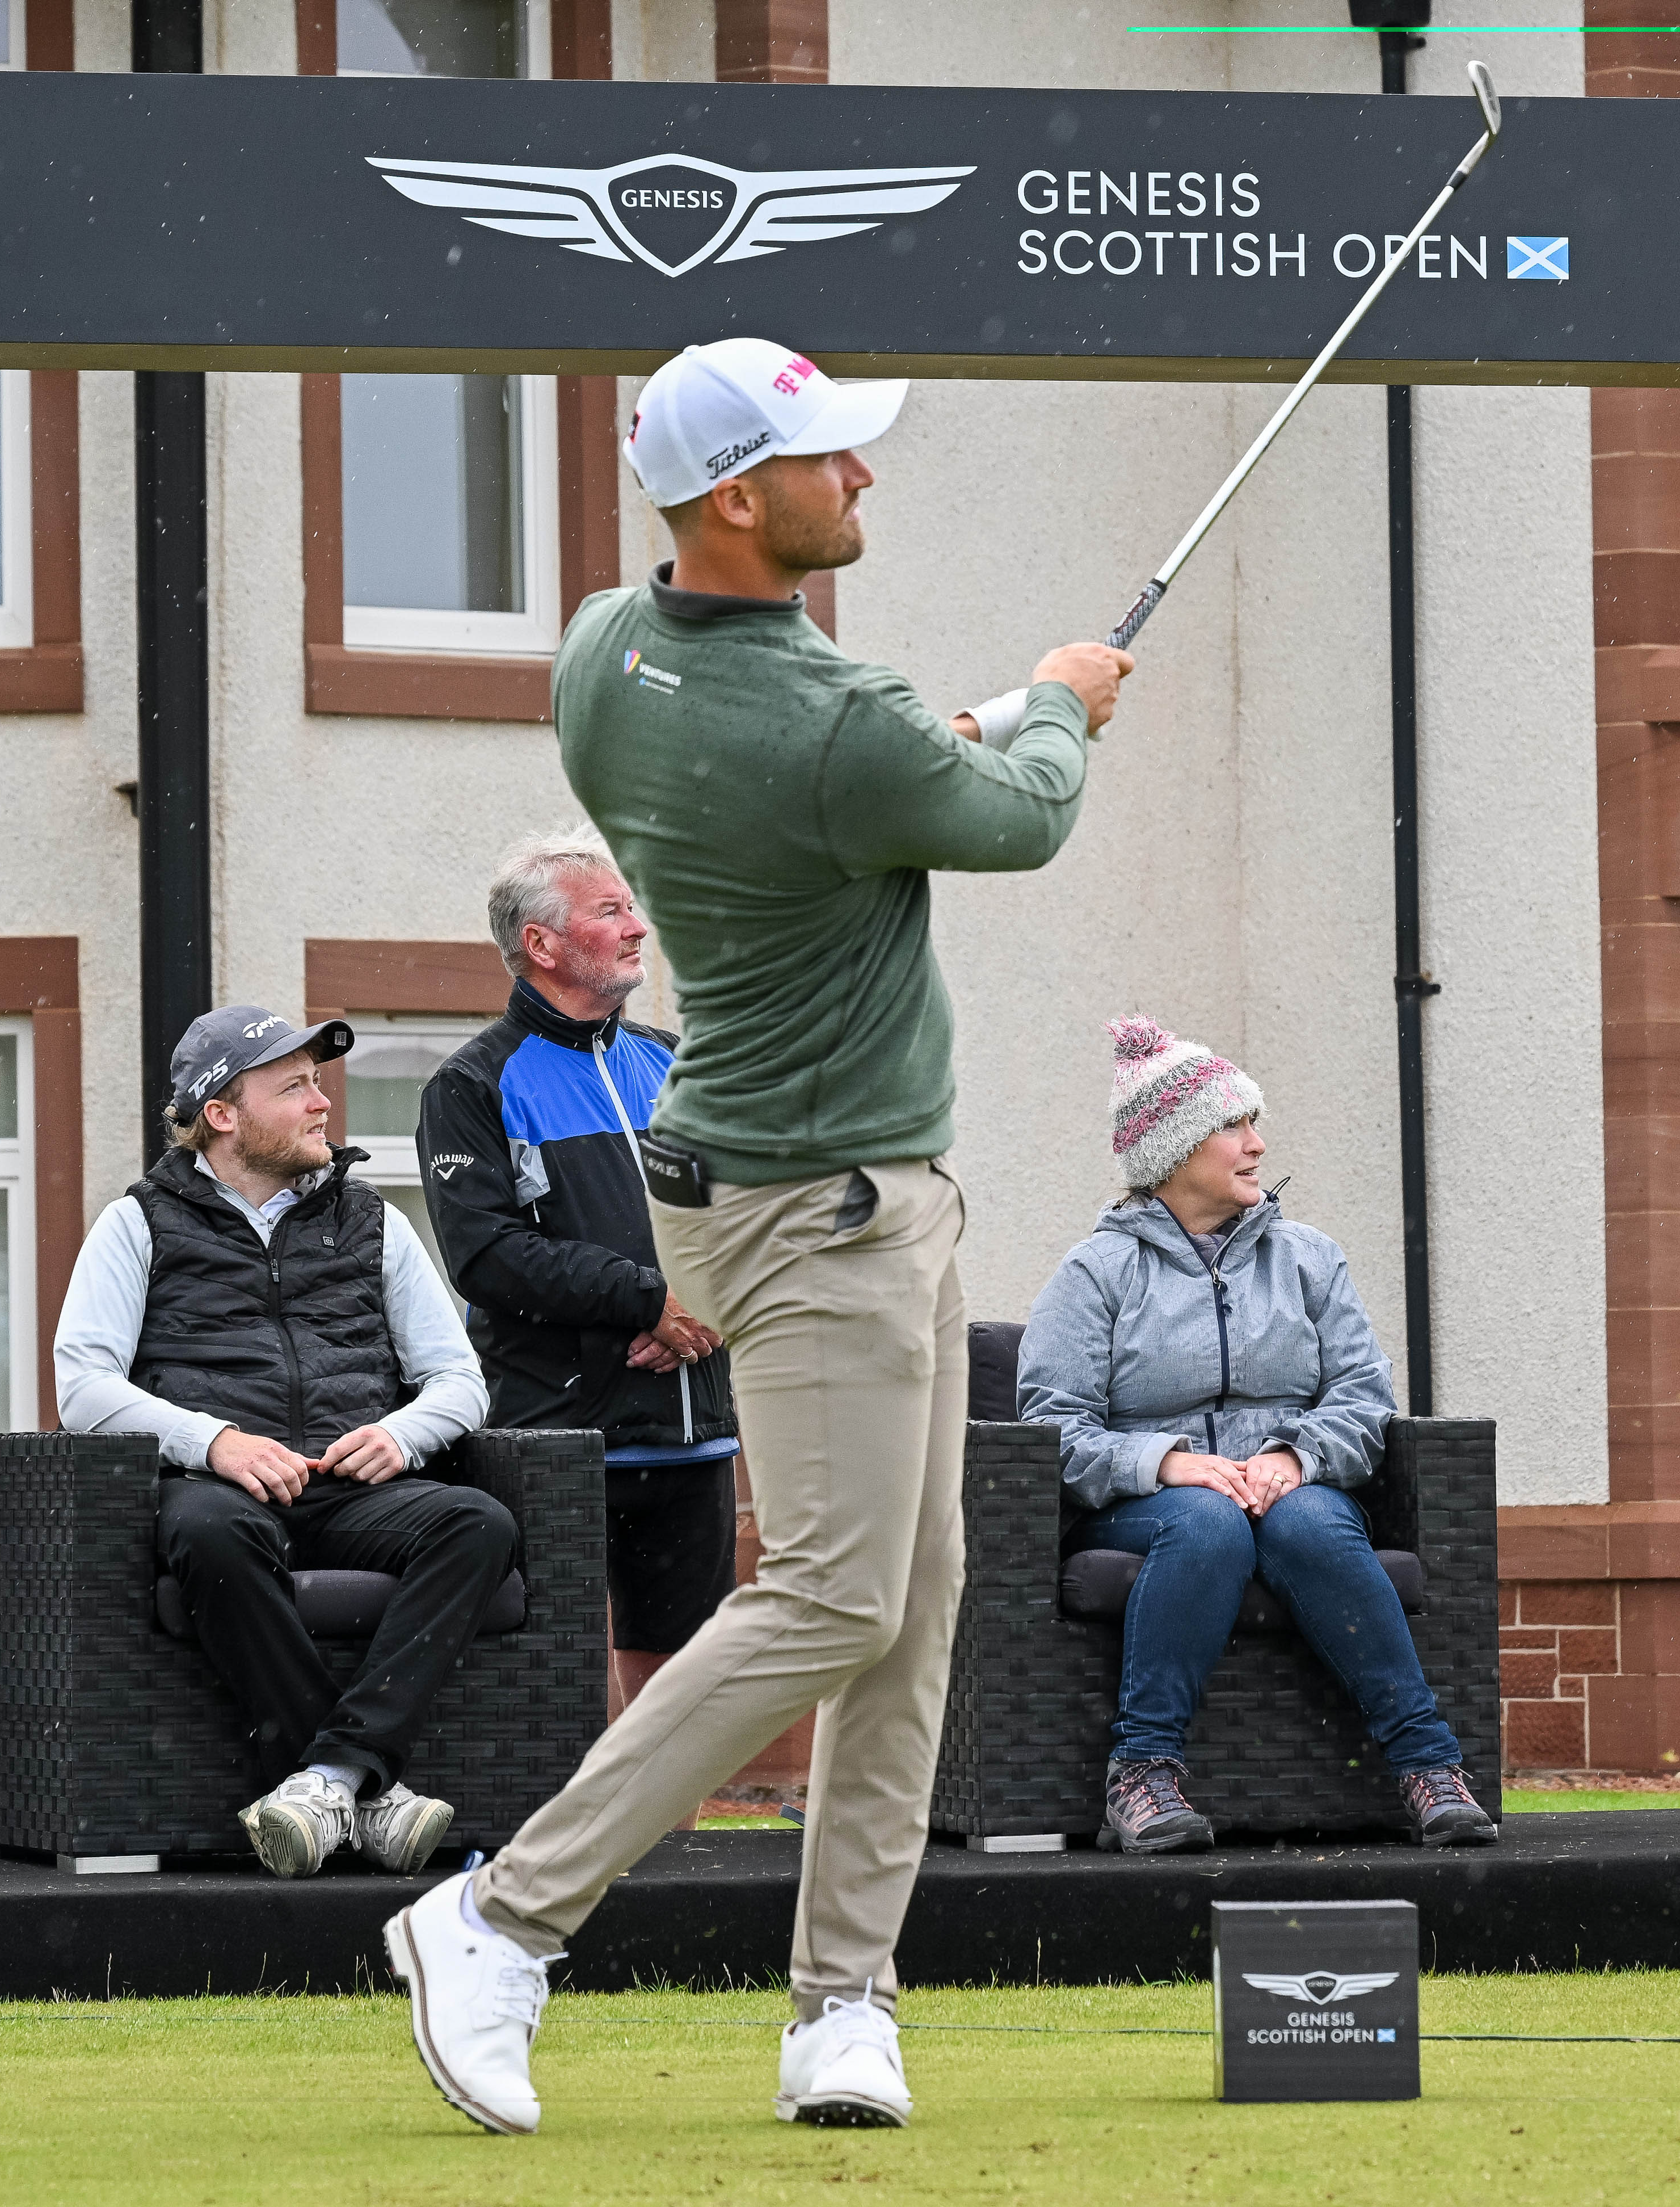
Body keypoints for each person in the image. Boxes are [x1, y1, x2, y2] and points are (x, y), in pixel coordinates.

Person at [384, 337, 1131, 2137]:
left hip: (802, 1190)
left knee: (913, 1600)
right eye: (833, 462)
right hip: (830, 1210)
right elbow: (1022, 818)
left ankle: (842, 2005)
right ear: (740, 496)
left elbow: (848, 776)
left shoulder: (599, 652)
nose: (862, 481)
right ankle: (499, 1917)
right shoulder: (832, 724)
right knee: (832, 1594)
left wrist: (945, 734)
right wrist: (1052, 696)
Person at [1018, 1017, 1498, 1855]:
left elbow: (1361, 1394)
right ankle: (1141, 1776)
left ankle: (1430, 1766)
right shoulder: (1095, 1273)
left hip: (1293, 1488)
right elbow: (1051, 1427)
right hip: (1150, 1504)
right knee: (1205, 1522)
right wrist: (1167, 1462)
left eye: (1252, 1123)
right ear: (1174, 1150)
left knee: (1310, 1521)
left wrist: (1293, 1455)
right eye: (1233, 1126)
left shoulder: (1311, 1259)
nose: (1257, 1142)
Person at [53, 1005, 501, 1878]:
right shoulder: (137, 1221)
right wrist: (214, 1441)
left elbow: (460, 1379)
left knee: (477, 1523)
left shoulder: (373, 1222)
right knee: (210, 1534)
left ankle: (329, 1778)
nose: (321, 1102)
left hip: (352, 1483)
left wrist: (401, 1435)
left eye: (317, 1080)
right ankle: (364, 1791)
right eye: (293, 1085)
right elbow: (83, 1384)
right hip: (218, 1486)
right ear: (222, 1113)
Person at [414, 835, 738, 1719]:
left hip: (691, 1427)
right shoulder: (471, 1085)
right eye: (611, 911)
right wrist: (646, 1299)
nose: (641, 927)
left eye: (631, 908)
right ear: (542, 945)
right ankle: (569, 1856)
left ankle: (665, 1855)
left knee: (680, 1693)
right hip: (557, 1436)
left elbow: (740, 1215)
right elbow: (486, 1256)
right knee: (552, 1681)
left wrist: (702, 1308)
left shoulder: (677, 1061)